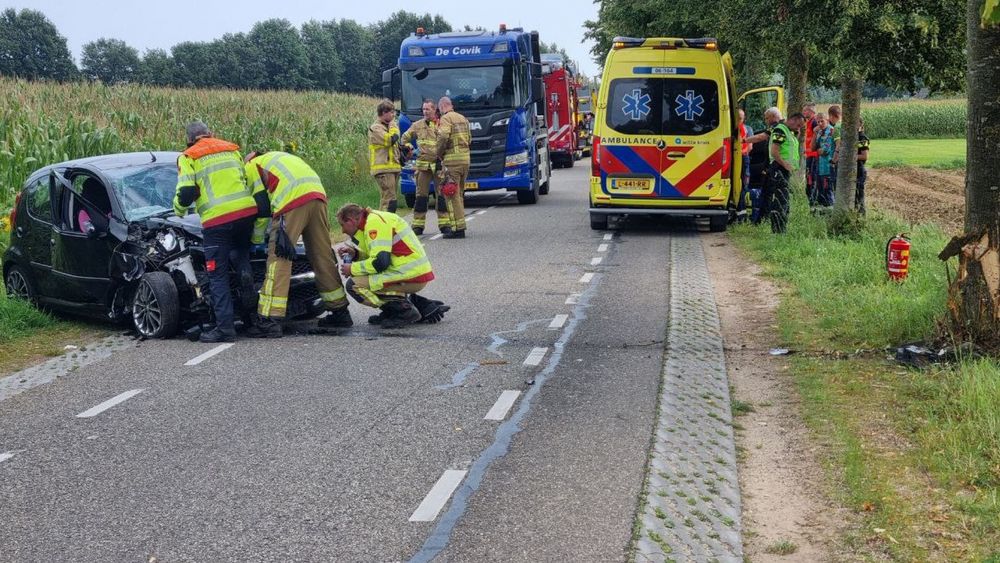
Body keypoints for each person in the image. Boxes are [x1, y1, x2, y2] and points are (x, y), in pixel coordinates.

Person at [244, 150, 352, 338]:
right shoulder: (281, 157)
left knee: (279, 258)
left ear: (250, 158)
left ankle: (270, 320)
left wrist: (256, 240)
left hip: (291, 203)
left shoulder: (252, 165)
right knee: (322, 256)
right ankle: (340, 311)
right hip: (317, 198)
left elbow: (262, 207)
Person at [173, 121, 258, 343]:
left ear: (189, 140)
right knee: (242, 261)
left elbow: (186, 192)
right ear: (210, 133)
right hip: (246, 213)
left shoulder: (188, 156)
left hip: (217, 220)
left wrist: (179, 210)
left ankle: (225, 329)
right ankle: (253, 320)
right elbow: (245, 179)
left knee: (217, 275)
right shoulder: (232, 149)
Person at [335, 203, 443, 329]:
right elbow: (377, 255)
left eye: (342, 225)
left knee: (353, 285)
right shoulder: (372, 220)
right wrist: (356, 255)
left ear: (351, 221)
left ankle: (403, 311)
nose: (342, 230)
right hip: (410, 271)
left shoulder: (374, 224)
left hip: (409, 273)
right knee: (367, 279)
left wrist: (352, 269)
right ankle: (398, 309)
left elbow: (380, 263)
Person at [400, 99, 453, 235]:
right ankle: (418, 225)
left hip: (439, 165)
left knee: (441, 196)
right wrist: (410, 148)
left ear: (434, 110)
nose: (425, 112)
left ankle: (444, 224)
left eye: (427, 109)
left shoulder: (442, 124)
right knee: (421, 197)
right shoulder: (417, 125)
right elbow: (404, 139)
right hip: (423, 167)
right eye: (423, 109)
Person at [435, 96, 471, 239]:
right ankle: (460, 223)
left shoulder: (446, 118)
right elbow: (469, 138)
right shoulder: (463, 118)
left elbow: (443, 136)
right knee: (459, 193)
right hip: (465, 160)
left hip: (452, 162)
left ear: (442, 106)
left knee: (451, 194)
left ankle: (458, 228)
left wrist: (438, 152)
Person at [766, 111, 805, 234]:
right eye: (798, 125)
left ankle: (781, 228)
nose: (799, 128)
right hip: (779, 168)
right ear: (792, 120)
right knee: (780, 199)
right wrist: (784, 164)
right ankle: (778, 229)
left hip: (784, 169)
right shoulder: (780, 130)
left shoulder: (789, 132)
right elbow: (774, 151)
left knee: (784, 199)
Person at [744, 107, 784, 224]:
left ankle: (763, 219)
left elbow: (760, 137)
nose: (766, 121)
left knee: (768, 192)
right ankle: (766, 218)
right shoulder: (784, 126)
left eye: (767, 118)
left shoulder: (777, 127)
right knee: (771, 192)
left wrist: (743, 140)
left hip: (777, 164)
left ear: (773, 117)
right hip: (778, 164)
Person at [368, 99, 402, 213]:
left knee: (390, 198)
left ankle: (385, 220)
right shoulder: (375, 128)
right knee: (389, 200)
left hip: (393, 168)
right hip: (383, 169)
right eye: (391, 112)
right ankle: (385, 221)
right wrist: (394, 126)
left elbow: (394, 145)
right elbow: (390, 140)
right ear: (383, 113)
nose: (393, 115)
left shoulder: (388, 127)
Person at [811, 112, 835, 208]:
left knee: (828, 190)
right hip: (820, 166)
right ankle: (822, 211)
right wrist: (814, 133)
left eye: (822, 121)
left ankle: (830, 210)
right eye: (818, 122)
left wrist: (819, 150)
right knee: (820, 191)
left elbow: (824, 151)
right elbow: (812, 148)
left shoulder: (831, 131)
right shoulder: (819, 132)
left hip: (828, 166)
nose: (820, 124)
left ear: (827, 120)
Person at [736, 109, 754, 217]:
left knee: (743, 184)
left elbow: (750, 147)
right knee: (740, 183)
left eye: (740, 118)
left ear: (744, 118)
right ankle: (740, 211)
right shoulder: (733, 128)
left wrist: (740, 153)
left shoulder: (747, 129)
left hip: (742, 157)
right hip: (738, 157)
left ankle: (742, 211)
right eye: (738, 118)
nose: (739, 120)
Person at [802, 103, 819, 202]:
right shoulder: (809, 122)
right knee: (809, 176)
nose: (803, 112)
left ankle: (812, 198)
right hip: (809, 154)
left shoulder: (814, 122)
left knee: (811, 177)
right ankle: (810, 197)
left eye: (805, 110)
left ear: (811, 111)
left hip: (813, 155)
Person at [855, 120, 871, 214]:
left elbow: (864, 156)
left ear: (860, 125)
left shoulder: (862, 138)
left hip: (859, 169)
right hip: (854, 168)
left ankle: (861, 216)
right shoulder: (854, 137)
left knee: (859, 195)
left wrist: (849, 157)